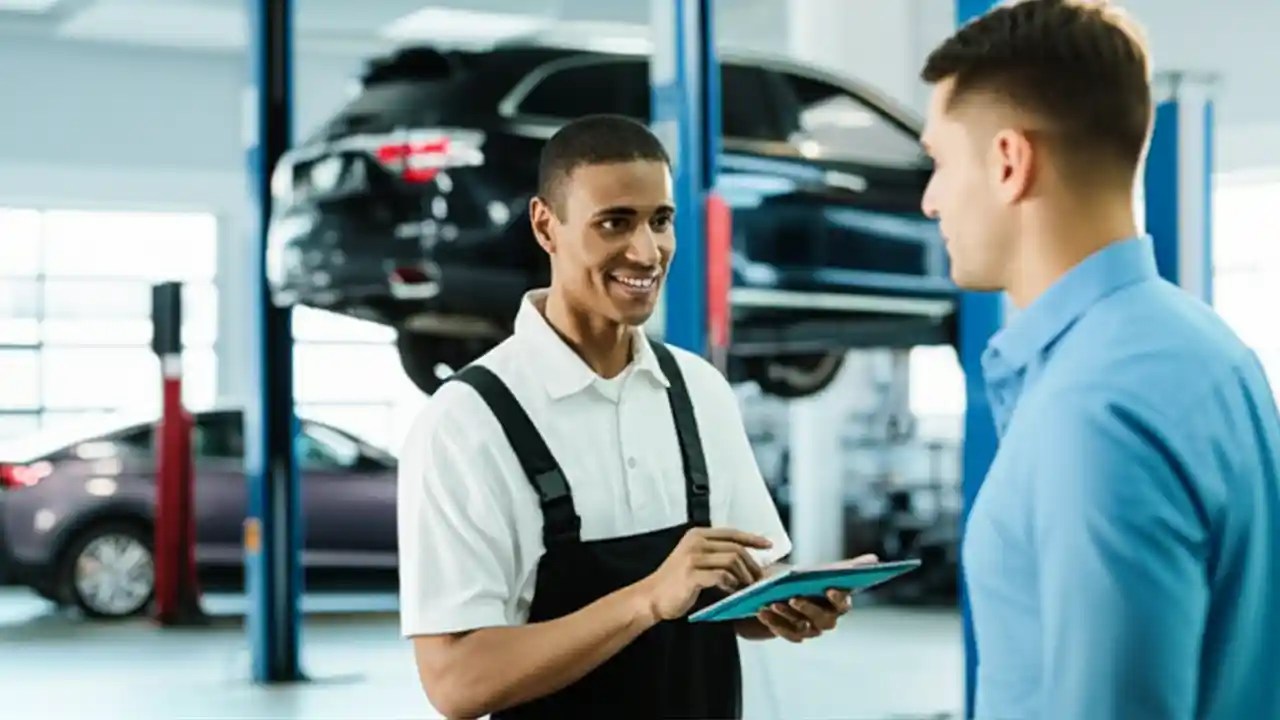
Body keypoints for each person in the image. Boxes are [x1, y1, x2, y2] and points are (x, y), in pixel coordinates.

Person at [396, 114, 866, 719]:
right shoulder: (469, 422)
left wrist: (784, 605)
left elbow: (733, 596)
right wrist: (646, 599)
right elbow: (456, 682)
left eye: (661, 221)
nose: (647, 252)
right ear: (546, 226)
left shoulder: (698, 390)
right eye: (614, 222)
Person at [917, 1, 1280, 718]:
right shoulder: (1209, 351)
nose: (930, 200)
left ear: (1008, 162)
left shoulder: (1093, 408)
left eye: (939, 162)